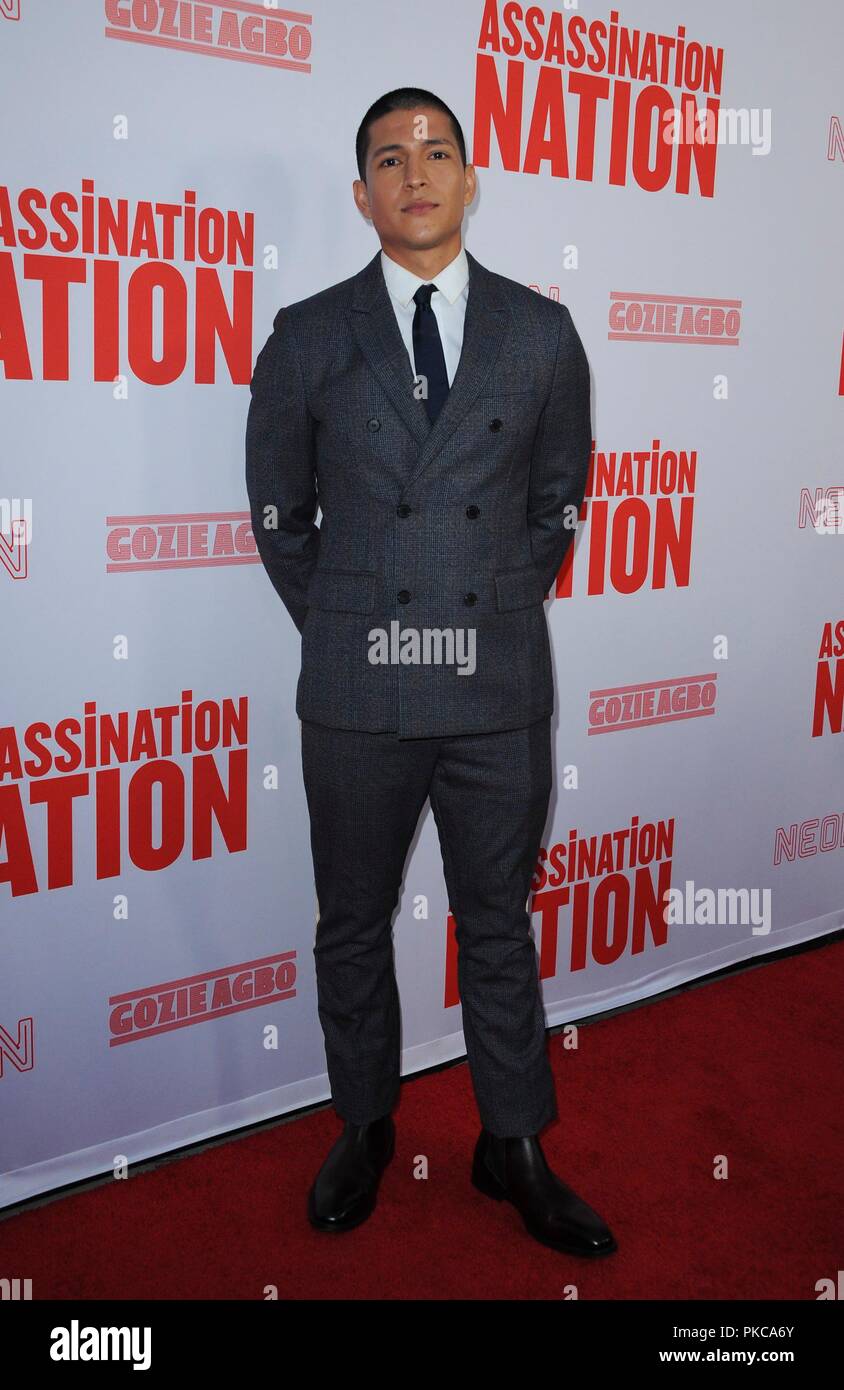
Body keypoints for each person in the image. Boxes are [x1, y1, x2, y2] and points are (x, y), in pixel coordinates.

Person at [245, 87, 616, 1258]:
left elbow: (559, 497)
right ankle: (363, 1121)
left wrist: (497, 602)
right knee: (351, 919)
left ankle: (512, 1142)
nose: (416, 173)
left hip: (494, 682)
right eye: (390, 158)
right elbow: (278, 514)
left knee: (496, 919)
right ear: (361, 195)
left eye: (438, 153)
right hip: (355, 687)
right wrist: (350, 626)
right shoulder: (306, 334)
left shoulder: (538, 333)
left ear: (469, 181)